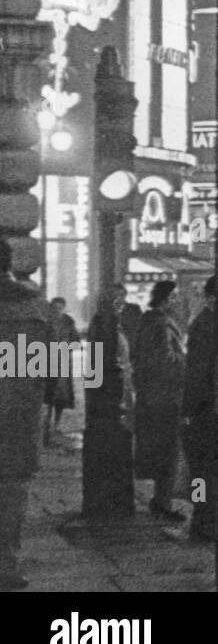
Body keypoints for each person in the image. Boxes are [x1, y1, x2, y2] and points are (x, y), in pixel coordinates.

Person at [0, 240, 53, 590]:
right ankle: (7, 563)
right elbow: (52, 372)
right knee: (13, 494)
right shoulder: (37, 307)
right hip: (18, 418)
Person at [183, 276, 218, 542]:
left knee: (211, 468)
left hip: (214, 409)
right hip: (205, 410)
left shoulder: (214, 324)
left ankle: (209, 517)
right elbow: (197, 372)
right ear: (211, 299)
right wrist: (191, 410)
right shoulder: (205, 326)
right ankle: (202, 517)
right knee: (202, 470)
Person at [133, 281, 186, 521]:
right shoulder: (160, 324)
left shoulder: (149, 321)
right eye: (174, 296)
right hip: (165, 396)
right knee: (169, 450)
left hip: (152, 395)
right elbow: (164, 361)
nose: (177, 300)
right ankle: (163, 501)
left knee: (162, 450)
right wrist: (186, 361)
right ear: (165, 298)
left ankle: (161, 498)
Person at [82, 284, 136, 519]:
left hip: (109, 398)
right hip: (110, 402)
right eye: (118, 300)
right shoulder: (106, 324)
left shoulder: (105, 323)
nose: (121, 305)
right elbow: (106, 364)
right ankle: (111, 505)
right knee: (112, 454)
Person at [43, 297, 79, 445]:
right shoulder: (45, 322)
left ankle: (55, 423)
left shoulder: (68, 322)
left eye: (59, 308)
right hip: (47, 361)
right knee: (47, 395)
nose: (57, 311)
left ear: (63, 308)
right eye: (55, 308)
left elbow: (75, 341)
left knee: (61, 396)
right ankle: (46, 424)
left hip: (63, 361)